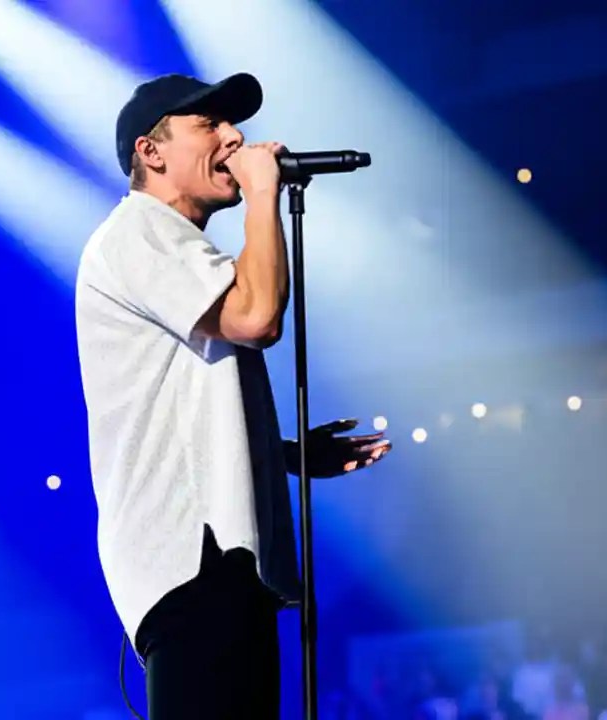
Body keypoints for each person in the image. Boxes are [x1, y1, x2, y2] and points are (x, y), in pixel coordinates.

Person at [75, 72, 392, 719]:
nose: (235, 136)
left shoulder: (169, 246)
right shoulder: (141, 231)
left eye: (231, 124)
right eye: (209, 125)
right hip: (194, 561)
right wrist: (263, 193)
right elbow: (255, 318)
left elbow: (177, 415)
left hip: (214, 562)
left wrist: (281, 454)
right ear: (151, 151)